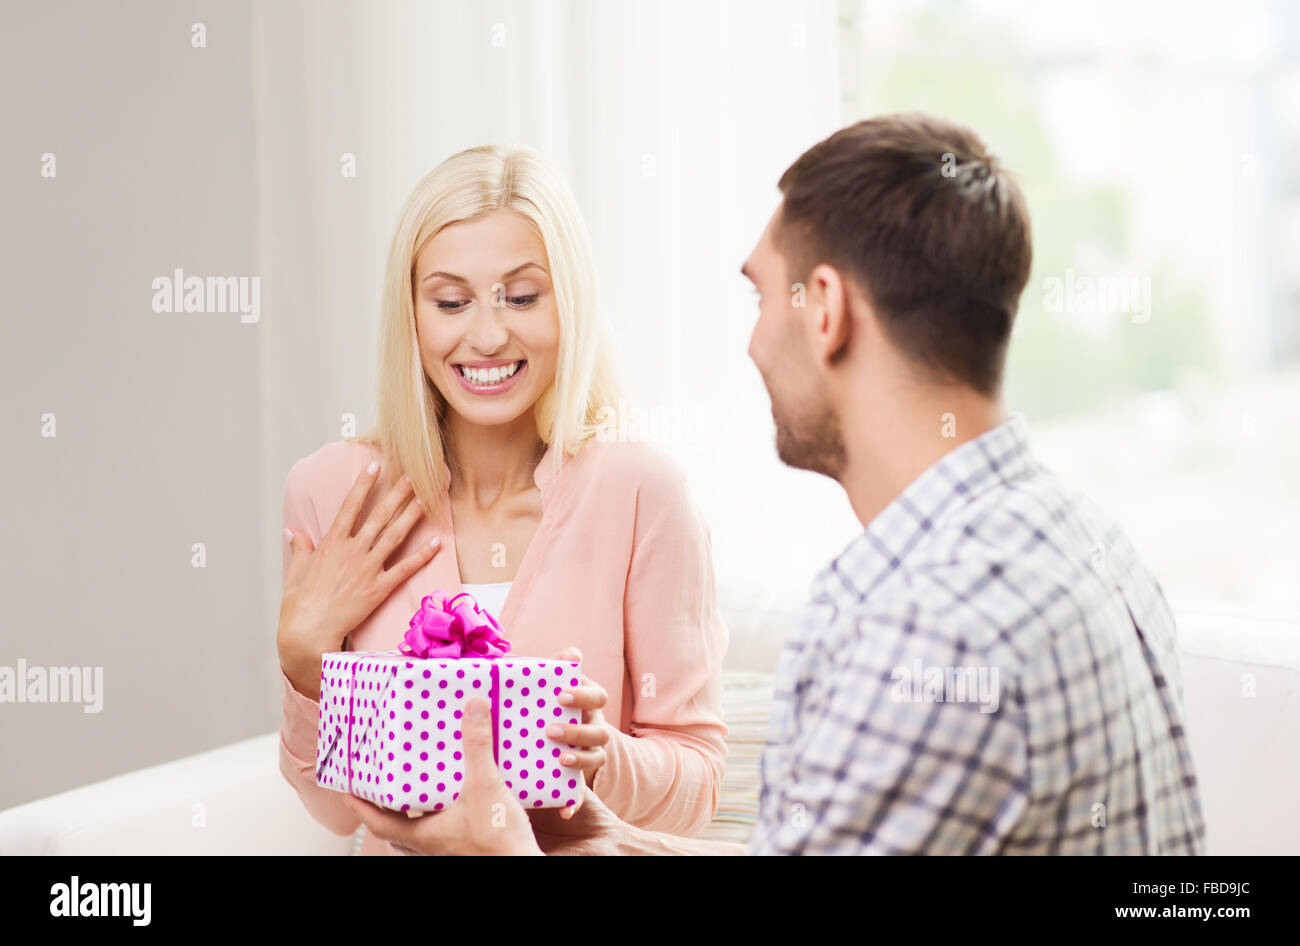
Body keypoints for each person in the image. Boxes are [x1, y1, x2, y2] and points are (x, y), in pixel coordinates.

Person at [345, 114, 1207, 855]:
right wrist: (611, 838)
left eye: (760, 296)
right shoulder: (1087, 540)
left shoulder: (914, 628)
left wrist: (495, 843)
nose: (753, 344)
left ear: (824, 309)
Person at [275, 145, 729, 855]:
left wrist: (597, 757)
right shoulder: (334, 493)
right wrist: (307, 665)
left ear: (568, 303)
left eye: (521, 297)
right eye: (451, 302)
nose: (486, 337)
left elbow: (696, 790)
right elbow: (337, 817)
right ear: (413, 315)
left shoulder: (641, 492)